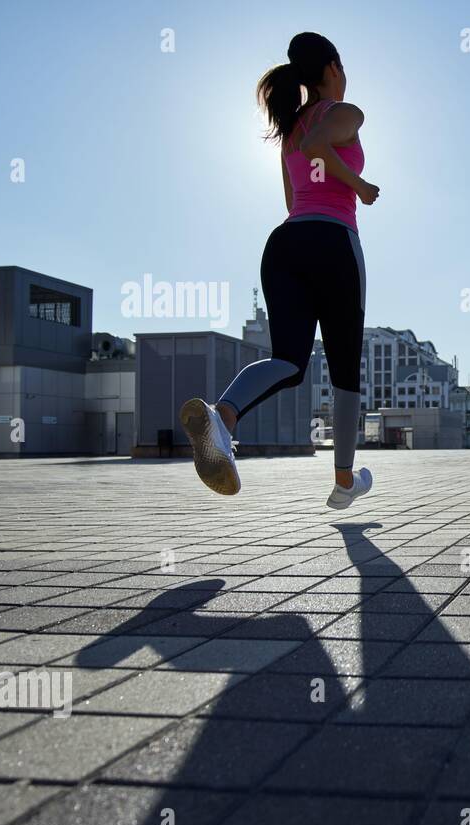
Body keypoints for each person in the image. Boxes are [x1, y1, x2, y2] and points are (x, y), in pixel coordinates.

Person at [179, 32, 379, 509]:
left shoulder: (289, 131)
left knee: (288, 362)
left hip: (285, 244)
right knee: (346, 368)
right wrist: (359, 184)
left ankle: (221, 417)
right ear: (333, 67)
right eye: (343, 67)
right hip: (332, 241)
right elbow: (317, 143)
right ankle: (344, 479)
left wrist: (326, 169)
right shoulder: (345, 114)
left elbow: (293, 199)